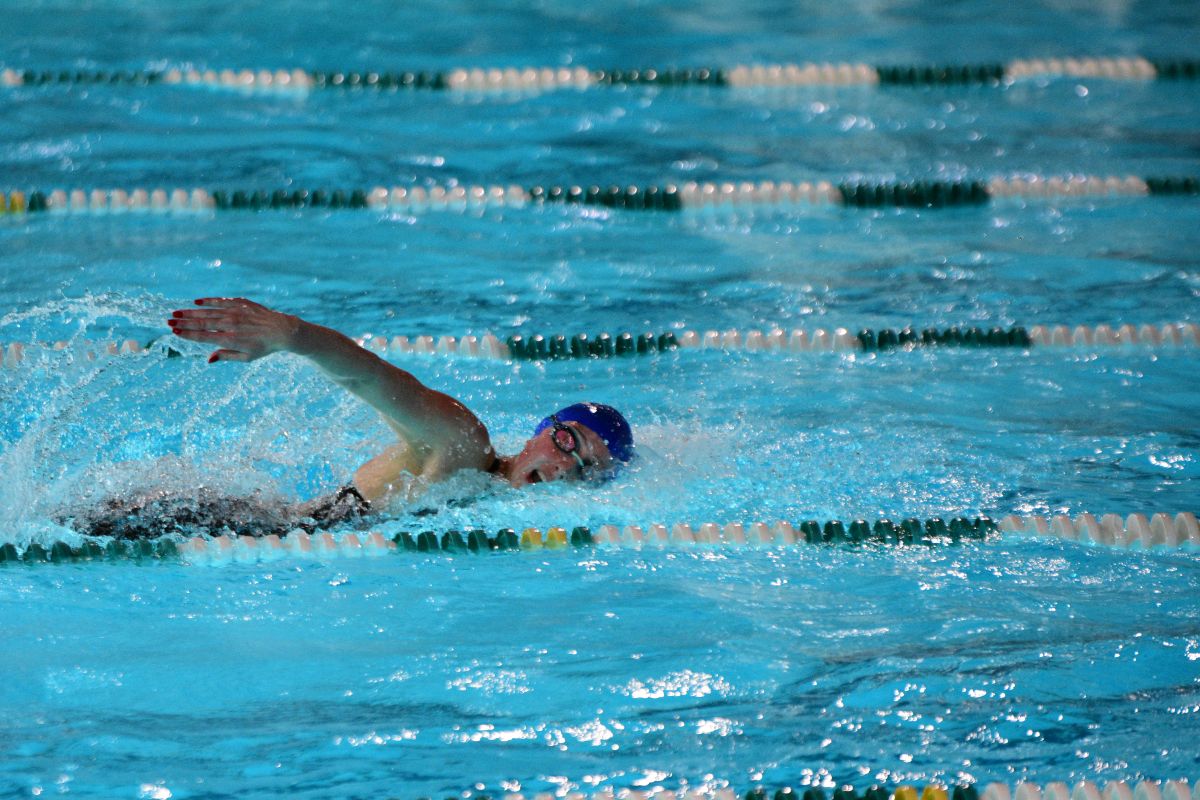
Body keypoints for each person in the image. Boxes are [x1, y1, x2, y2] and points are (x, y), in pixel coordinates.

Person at [152, 296, 635, 534]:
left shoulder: (499, 511)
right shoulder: (463, 443)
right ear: (540, 433)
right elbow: (372, 378)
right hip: (232, 527)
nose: (568, 466)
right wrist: (292, 335)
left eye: (589, 468)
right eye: (570, 442)